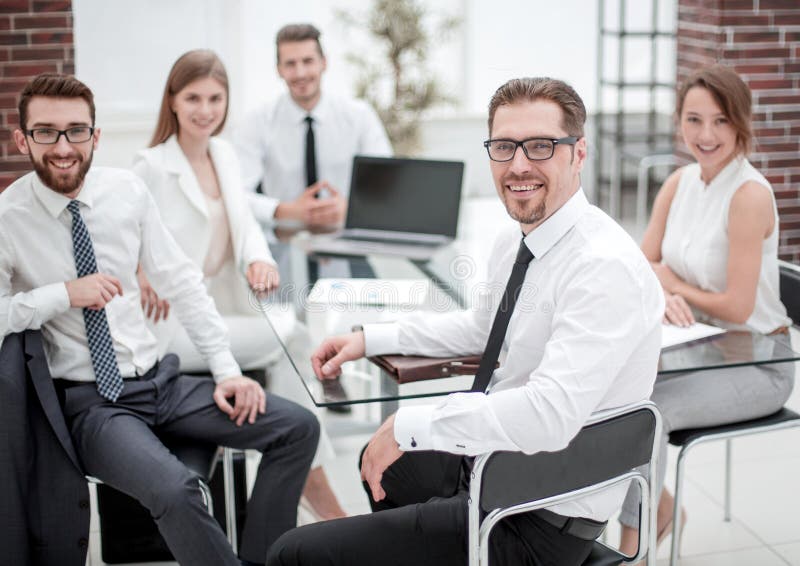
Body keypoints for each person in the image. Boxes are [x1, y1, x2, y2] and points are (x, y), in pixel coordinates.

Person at [264, 77, 665, 566]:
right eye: (503, 147)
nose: (518, 165)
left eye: (540, 146)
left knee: (292, 554)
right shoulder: (519, 239)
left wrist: (414, 422)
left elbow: (548, 416)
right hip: (500, 468)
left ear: (578, 154)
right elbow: (481, 329)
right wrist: (369, 338)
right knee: (384, 463)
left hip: (538, 515)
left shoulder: (603, 266)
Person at [0, 72, 320, 566]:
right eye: (46, 132)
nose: (63, 146)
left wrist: (226, 372)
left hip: (163, 383)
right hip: (95, 406)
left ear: (95, 136)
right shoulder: (10, 216)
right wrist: (60, 295)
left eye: (76, 131)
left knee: (297, 426)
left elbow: (184, 285)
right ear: (22, 138)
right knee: (176, 490)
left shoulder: (125, 192)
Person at [132, 49, 347, 522]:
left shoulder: (225, 154)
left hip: (222, 309)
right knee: (289, 339)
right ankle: (324, 501)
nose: (205, 110)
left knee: (290, 346)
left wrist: (259, 260)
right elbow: (118, 236)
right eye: (193, 98)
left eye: (215, 98)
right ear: (172, 100)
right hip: (170, 326)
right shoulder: (149, 165)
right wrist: (140, 273)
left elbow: (246, 224)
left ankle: (314, 490)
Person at [618, 64, 795, 556]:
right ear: (679, 123)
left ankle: (635, 542)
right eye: (694, 120)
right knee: (615, 388)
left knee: (650, 411)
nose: (706, 134)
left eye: (720, 121)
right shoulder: (678, 183)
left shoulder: (749, 196)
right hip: (696, 344)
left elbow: (739, 307)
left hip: (758, 361)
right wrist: (664, 287)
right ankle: (657, 506)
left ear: (741, 123)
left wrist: (673, 284)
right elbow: (640, 262)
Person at [234, 22, 392, 227]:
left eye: (308, 61)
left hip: (347, 240)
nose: (300, 73)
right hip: (282, 242)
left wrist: (351, 206)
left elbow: (386, 183)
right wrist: (286, 210)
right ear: (279, 70)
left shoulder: (359, 116)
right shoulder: (256, 122)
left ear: (324, 63)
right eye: (290, 64)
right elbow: (236, 195)